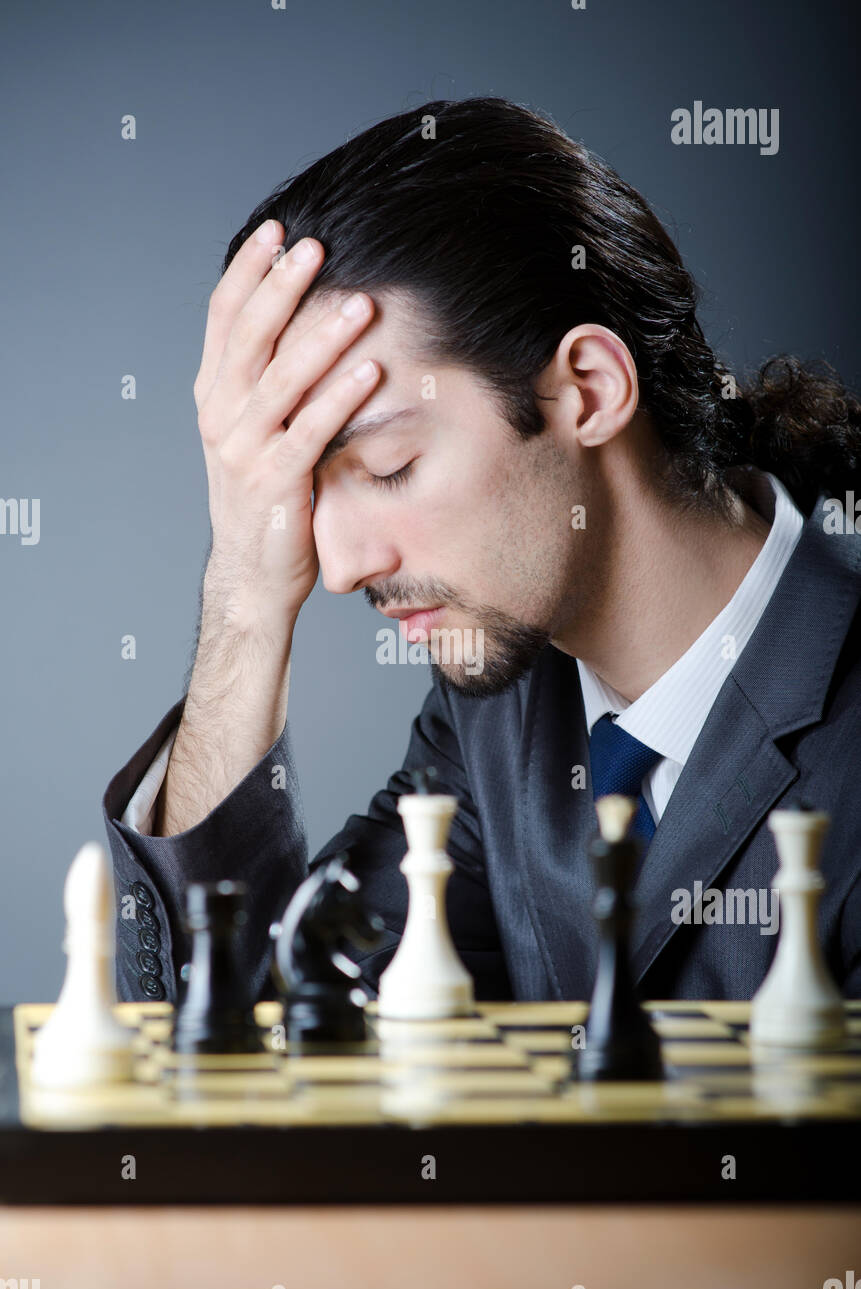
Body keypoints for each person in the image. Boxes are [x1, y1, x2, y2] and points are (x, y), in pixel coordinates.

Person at [102, 96, 861, 1007]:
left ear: (586, 389)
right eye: (306, 489)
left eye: (387, 466)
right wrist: (244, 596)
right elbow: (246, 1038)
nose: (337, 570)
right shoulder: (495, 712)